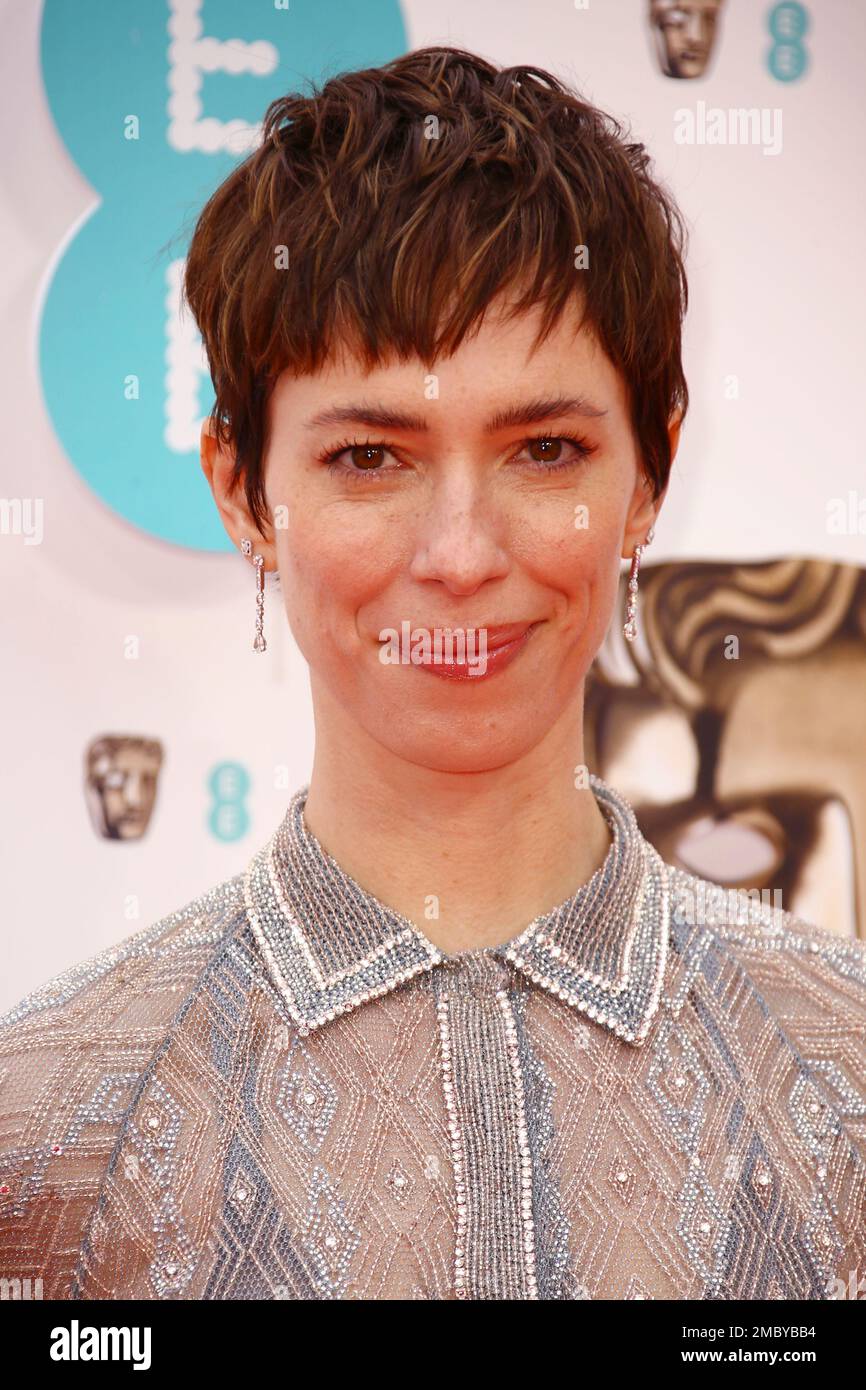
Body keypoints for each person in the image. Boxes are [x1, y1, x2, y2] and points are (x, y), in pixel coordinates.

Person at [1, 45, 864, 1302]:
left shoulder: (842, 1079)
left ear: (647, 480)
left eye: (546, 449)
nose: (461, 556)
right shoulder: (47, 1134)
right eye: (367, 458)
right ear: (243, 491)